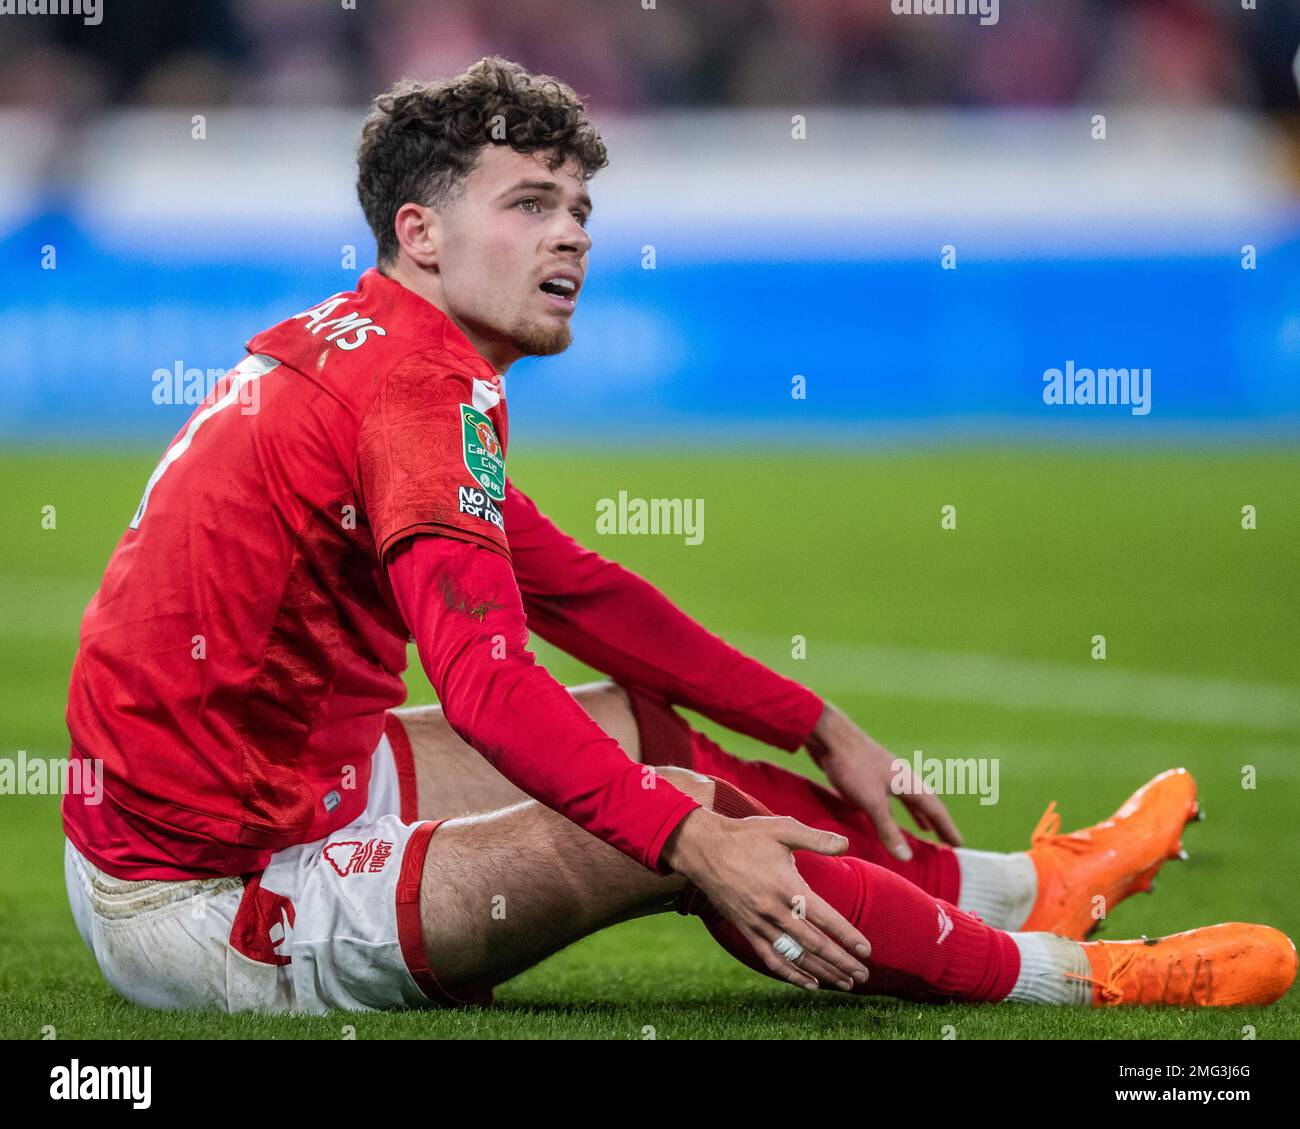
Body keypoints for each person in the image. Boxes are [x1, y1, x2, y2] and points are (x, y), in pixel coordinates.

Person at [62, 56, 1295, 1016]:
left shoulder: (383, 349)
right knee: (673, 815)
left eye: (581, 206)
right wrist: (689, 835)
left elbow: (584, 598)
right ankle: (1071, 978)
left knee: (630, 727)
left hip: (278, 790)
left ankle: (1036, 888)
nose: (573, 234)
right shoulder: (408, 388)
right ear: (418, 233)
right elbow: (486, 686)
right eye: (531, 203)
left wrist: (816, 722)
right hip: (203, 896)